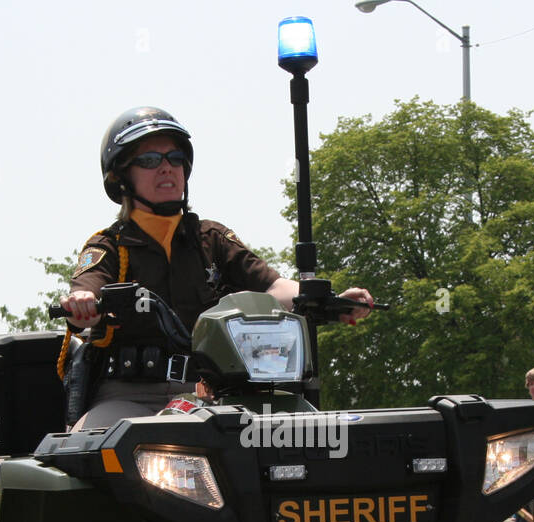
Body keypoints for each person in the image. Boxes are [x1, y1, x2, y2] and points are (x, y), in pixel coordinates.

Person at [60, 106, 373, 430]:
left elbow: (273, 287)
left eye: (175, 158)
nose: (167, 168)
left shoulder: (210, 239)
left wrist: (331, 299)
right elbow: (86, 288)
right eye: (150, 160)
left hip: (208, 397)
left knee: (297, 440)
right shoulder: (109, 245)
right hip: (127, 398)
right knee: (89, 449)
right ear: (120, 177)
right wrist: (82, 303)